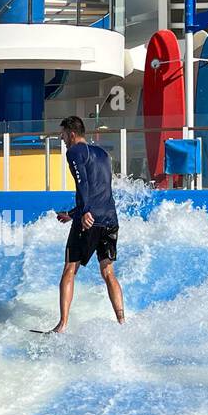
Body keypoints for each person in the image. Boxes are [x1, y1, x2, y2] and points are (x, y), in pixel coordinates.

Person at [52, 115, 124, 333]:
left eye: (63, 134)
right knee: (108, 271)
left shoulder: (74, 151)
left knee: (69, 269)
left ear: (72, 134)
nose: (62, 138)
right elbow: (101, 191)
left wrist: (83, 213)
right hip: (110, 219)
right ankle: (122, 323)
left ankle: (62, 325)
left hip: (90, 219)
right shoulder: (103, 153)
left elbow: (83, 184)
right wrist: (73, 214)